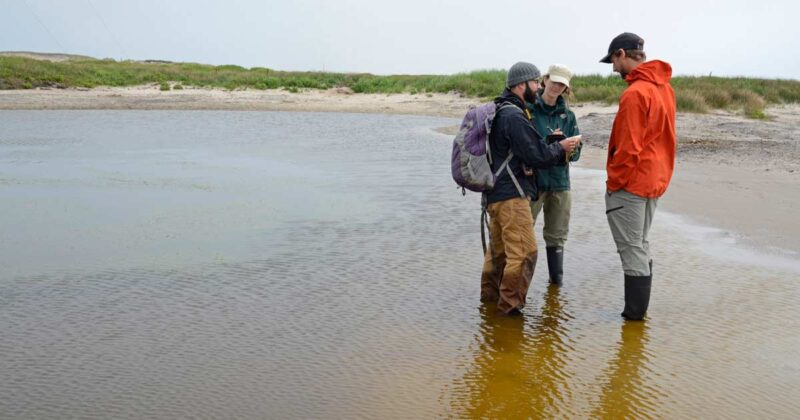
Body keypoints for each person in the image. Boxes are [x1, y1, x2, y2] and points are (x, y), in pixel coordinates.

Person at [480, 62, 580, 315]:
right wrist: (561, 147)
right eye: (535, 82)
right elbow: (536, 155)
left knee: (499, 253)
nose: (538, 86)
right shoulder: (514, 115)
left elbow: (522, 150)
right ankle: (509, 312)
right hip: (511, 195)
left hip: (494, 193)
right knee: (525, 252)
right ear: (521, 84)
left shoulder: (501, 109)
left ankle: (489, 308)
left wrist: (550, 147)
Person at [599, 32, 677, 320]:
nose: (612, 68)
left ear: (622, 54)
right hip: (655, 179)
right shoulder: (664, 88)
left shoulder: (635, 93)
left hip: (632, 183)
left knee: (632, 248)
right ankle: (636, 320)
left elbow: (629, 147)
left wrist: (613, 183)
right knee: (641, 244)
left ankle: (633, 320)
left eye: (613, 61)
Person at [526, 64, 582, 286]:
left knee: (557, 236)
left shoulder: (568, 116)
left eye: (562, 84)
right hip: (533, 182)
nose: (557, 87)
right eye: (554, 81)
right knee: (522, 234)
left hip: (560, 182)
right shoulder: (528, 110)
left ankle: (555, 285)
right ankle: (517, 285)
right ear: (545, 80)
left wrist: (570, 147)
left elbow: (577, 155)